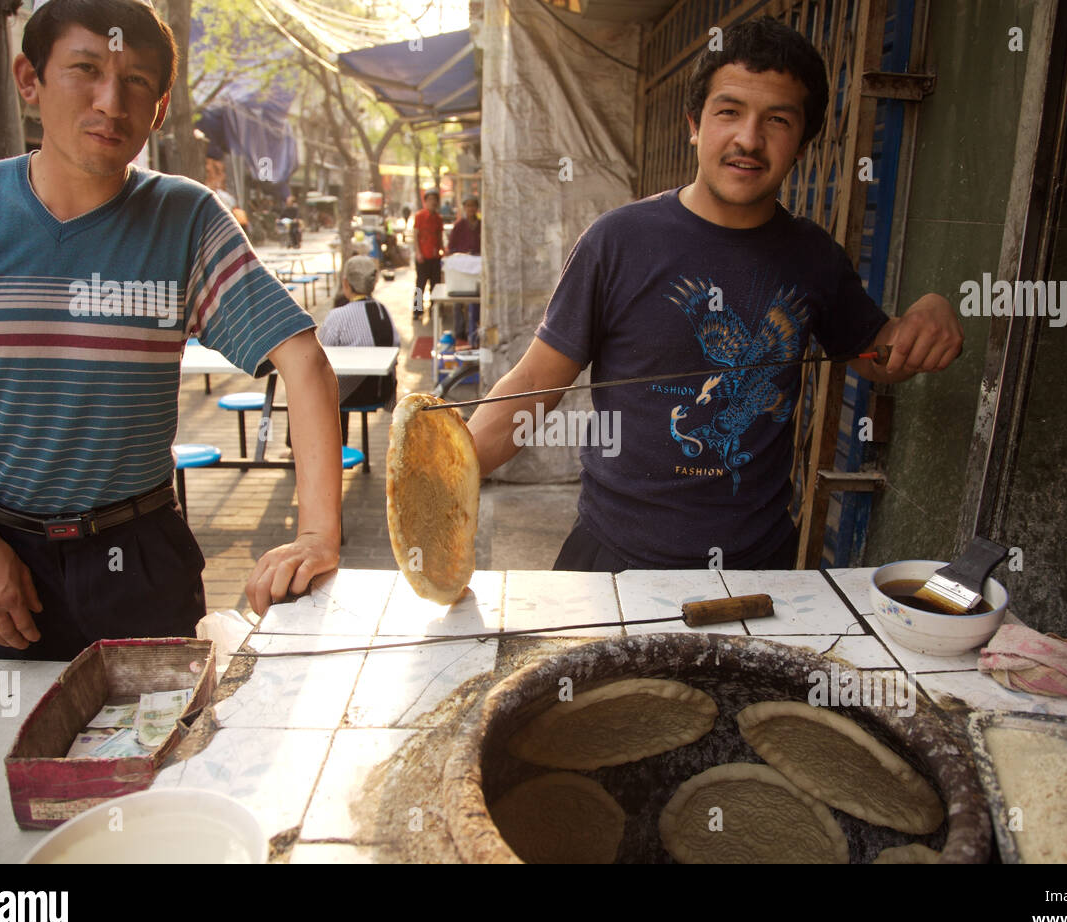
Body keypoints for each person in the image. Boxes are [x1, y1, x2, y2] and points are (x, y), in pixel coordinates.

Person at [0, 0, 343, 661]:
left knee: (169, 749)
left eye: (136, 81)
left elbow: (304, 361)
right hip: (4, 558)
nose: (111, 103)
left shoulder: (185, 217)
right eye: (84, 69)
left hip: (143, 553)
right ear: (29, 79)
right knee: (30, 754)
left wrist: (318, 535)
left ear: (160, 106)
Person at [466, 15, 964, 572]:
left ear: (802, 144)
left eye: (777, 120)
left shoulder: (814, 256)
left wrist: (929, 313)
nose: (748, 139)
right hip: (614, 561)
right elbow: (535, 382)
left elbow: (877, 355)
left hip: (758, 569)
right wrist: (450, 469)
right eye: (729, 112)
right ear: (695, 124)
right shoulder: (619, 241)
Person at [317, 256, 400, 443]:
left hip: (350, 393)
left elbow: (321, 355)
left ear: (345, 283)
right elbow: (397, 345)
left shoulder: (338, 316)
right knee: (337, 383)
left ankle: (318, 449)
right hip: (382, 390)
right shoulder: (383, 311)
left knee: (315, 387)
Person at [445, 195, 481, 344]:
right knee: (420, 286)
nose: (471, 209)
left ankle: (474, 333)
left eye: (473, 206)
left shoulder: (481, 225)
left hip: (476, 266)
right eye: (468, 206)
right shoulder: (459, 225)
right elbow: (451, 246)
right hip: (425, 259)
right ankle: (418, 309)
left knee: (475, 300)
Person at [412, 188, 443, 323]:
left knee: (435, 285)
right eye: (430, 199)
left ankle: (434, 310)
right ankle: (417, 310)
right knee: (420, 286)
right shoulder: (419, 216)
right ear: (425, 201)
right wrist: (418, 252)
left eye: (435, 200)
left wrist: (442, 249)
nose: (433, 202)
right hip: (422, 257)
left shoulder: (438, 218)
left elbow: (439, 236)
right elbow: (415, 236)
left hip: (435, 257)